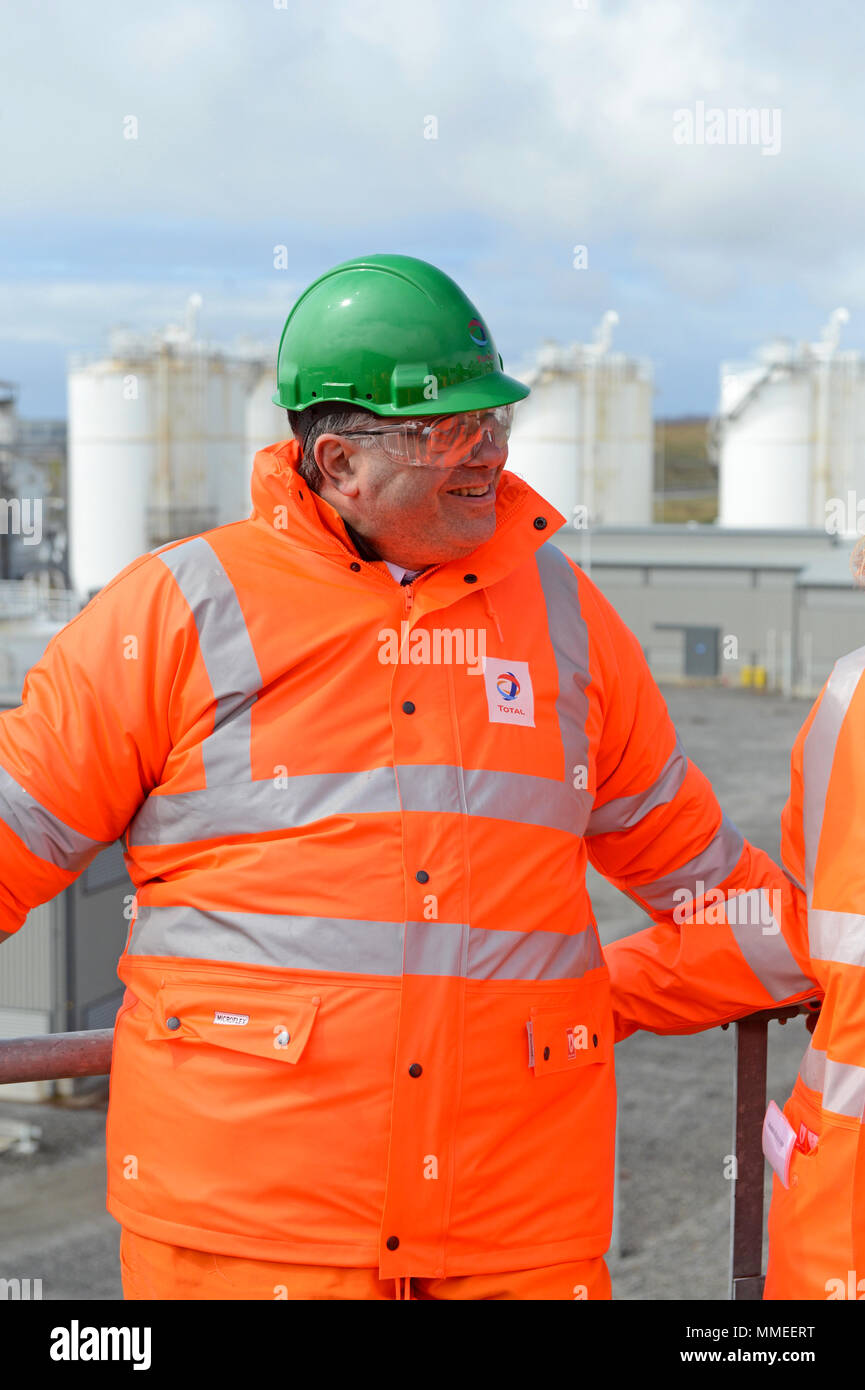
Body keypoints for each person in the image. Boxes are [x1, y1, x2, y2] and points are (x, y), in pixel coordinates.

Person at [0, 254, 818, 1301]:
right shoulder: (174, 613)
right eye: (448, 431)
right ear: (337, 462)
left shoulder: (566, 620)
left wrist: (773, 956)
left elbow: (710, 890)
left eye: (497, 424)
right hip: (248, 1242)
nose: (488, 456)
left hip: (513, 1239)